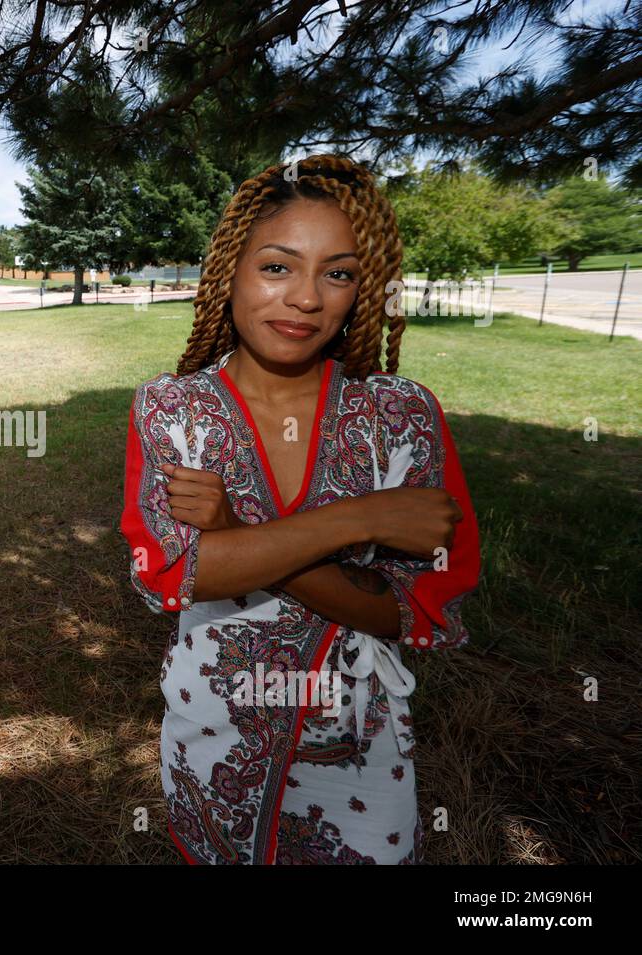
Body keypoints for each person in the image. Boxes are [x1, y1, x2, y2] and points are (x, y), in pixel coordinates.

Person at [120, 154, 480, 864]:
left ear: (362, 289)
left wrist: (237, 540)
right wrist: (362, 517)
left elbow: (413, 611)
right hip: (211, 743)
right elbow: (173, 577)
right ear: (230, 273)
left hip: (363, 753)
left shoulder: (402, 415)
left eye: (338, 273)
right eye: (279, 267)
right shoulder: (174, 408)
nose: (307, 298)